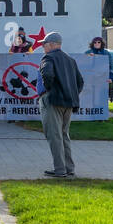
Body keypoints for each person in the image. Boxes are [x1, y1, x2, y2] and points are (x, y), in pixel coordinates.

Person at [39, 32, 83, 177]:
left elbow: (47, 74)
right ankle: (69, 168)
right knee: (64, 135)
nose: (43, 47)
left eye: (44, 44)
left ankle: (59, 169)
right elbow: (80, 82)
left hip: (53, 101)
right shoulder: (70, 60)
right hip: (68, 103)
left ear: (51, 44)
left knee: (54, 135)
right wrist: (70, 93)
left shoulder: (48, 57)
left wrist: (49, 91)